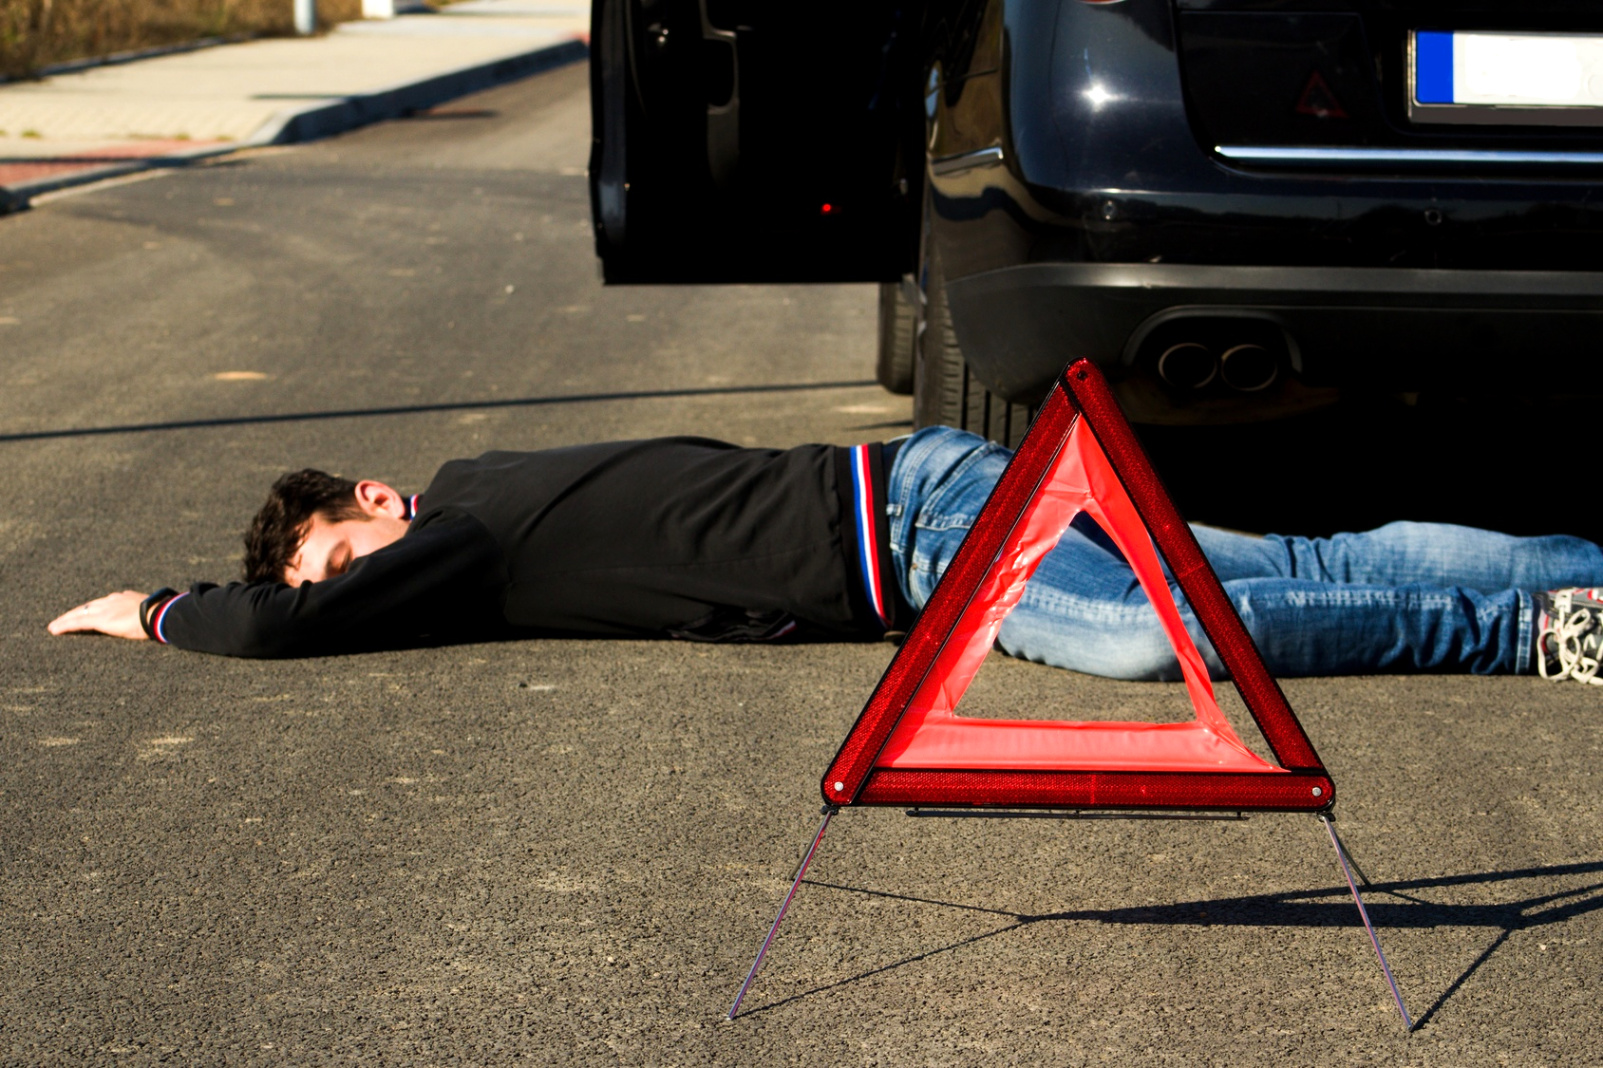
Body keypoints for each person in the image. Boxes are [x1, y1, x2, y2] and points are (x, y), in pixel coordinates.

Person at [47, 427, 1603, 685]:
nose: (346, 594)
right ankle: (1574, 568)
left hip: (928, 534)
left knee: (1145, 639)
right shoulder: (485, 514)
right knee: (1310, 559)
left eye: (334, 557)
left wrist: (152, 611)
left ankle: (1534, 636)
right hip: (931, 490)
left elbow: (279, 636)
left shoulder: (463, 519)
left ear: (375, 505)